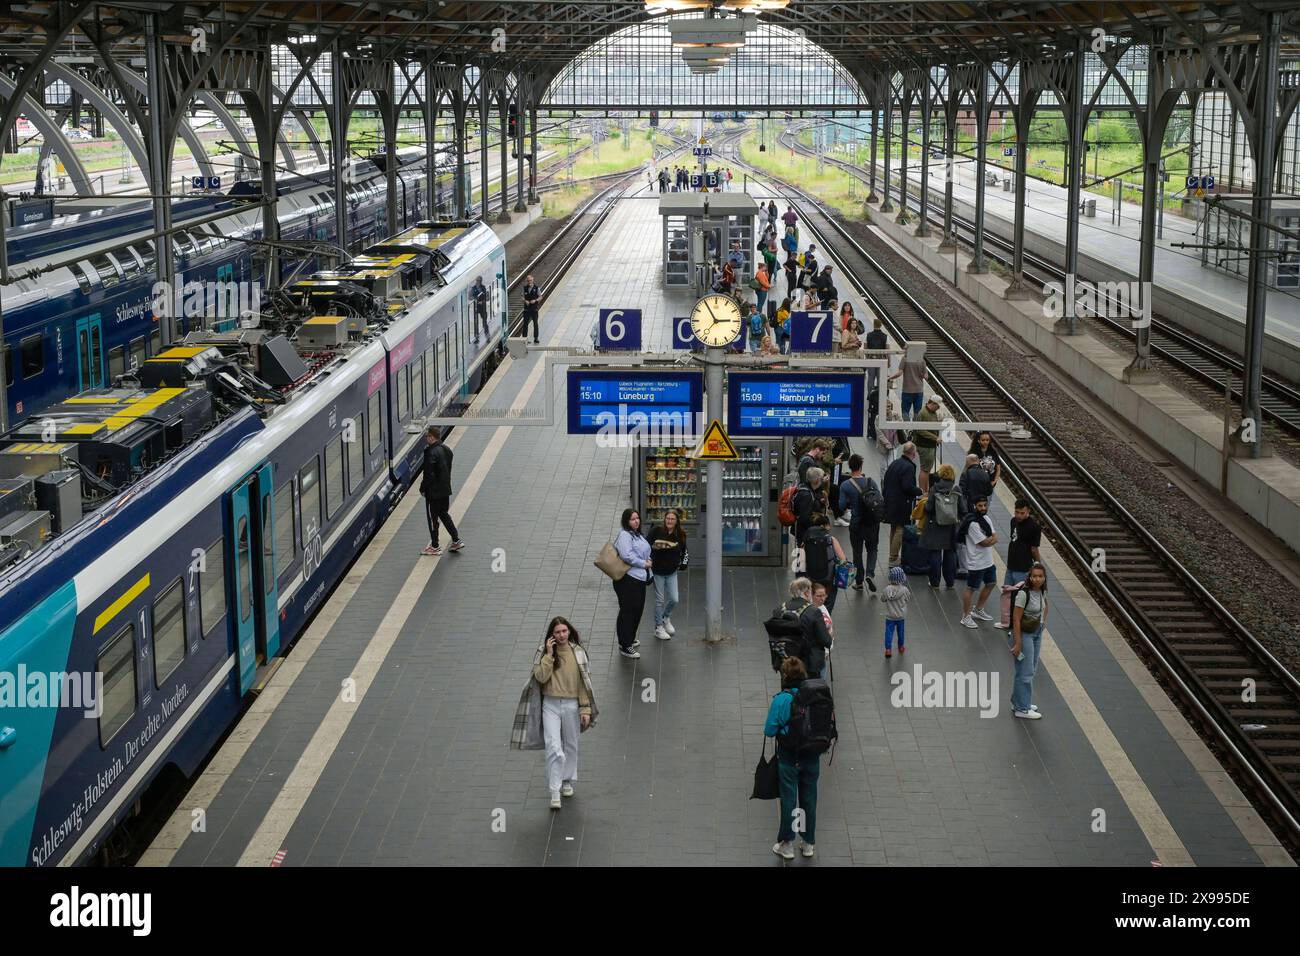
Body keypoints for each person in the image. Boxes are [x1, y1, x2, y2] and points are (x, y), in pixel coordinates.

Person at [530, 617, 597, 808]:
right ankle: (554, 791)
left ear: (569, 631)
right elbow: (541, 677)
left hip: (571, 705)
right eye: (557, 632)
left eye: (564, 631)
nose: (561, 635)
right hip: (550, 705)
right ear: (552, 635)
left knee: (571, 745)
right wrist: (549, 655)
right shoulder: (544, 653)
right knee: (553, 747)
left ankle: (566, 780)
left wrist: (585, 709)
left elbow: (584, 683)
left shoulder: (578, 653)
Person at [765, 656, 819, 860]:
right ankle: (808, 843)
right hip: (812, 755)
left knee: (789, 798)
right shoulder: (814, 695)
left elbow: (769, 730)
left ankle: (787, 843)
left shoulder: (782, 699)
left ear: (784, 676)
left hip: (789, 757)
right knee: (809, 797)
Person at [1009, 563, 1049, 719]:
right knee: (1026, 672)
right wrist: (1018, 643)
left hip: (1036, 632)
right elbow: (1016, 619)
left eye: (1040, 576)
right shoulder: (1023, 594)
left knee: (1030, 668)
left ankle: (1018, 701)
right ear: (1030, 577)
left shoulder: (1043, 592)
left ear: (1044, 578)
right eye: (1034, 576)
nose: (1037, 579)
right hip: (1024, 635)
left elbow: (1046, 607)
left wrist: (1042, 624)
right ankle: (1022, 708)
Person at [995, 499, 1043, 629]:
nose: (1019, 515)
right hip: (1011, 565)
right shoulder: (1013, 521)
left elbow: (1034, 549)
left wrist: (1038, 564)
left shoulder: (1034, 527)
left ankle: (1018, 627)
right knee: (1007, 594)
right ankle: (1007, 622)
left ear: (1028, 511)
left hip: (1024, 568)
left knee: (1020, 599)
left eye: (1022, 513)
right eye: (1017, 512)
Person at [838, 454, 881, 593]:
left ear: (849, 467)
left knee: (857, 552)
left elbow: (841, 505)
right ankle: (870, 574)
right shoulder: (870, 481)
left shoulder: (845, 485)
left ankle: (859, 581)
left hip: (856, 523)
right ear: (861, 466)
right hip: (872, 523)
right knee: (872, 549)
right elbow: (879, 499)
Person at [419, 425, 464, 556]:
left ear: (431, 437)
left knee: (433, 518)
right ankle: (456, 540)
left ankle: (434, 546)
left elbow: (428, 474)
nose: (426, 438)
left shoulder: (430, 452)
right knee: (444, 514)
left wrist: (423, 489)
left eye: (427, 436)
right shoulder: (447, 449)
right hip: (445, 489)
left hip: (433, 493)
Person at [613, 508, 652, 658]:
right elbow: (626, 555)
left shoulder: (637, 534)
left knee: (637, 609)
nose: (636, 521)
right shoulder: (624, 535)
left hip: (639, 578)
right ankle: (625, 644)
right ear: (626, 521)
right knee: (628, 610)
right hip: (628, 579)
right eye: (632, 519)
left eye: (637, 518)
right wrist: (643, 563)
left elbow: (645, 551)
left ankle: (629, 637)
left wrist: (648, 560)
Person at [920, 463, 965, 588]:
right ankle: (950, 583)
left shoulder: (935, 488)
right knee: (950, 553)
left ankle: (934, 582)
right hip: (951, 527)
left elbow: (928, 507)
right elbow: (963, 509)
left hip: (935, 525)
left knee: (935, 554)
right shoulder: (956, 489)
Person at [959, 497, 998, 629]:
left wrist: (991, 539)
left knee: (991, 583)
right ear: (974, 506)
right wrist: (991, 539)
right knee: (971, 588)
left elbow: (995, 536)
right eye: (980, 505)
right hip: (976, 563)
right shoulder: (973, 524)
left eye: (984, 505)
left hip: (988, 561)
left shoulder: (986, 519)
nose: (982, 508)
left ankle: (978, 609)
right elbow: (985, 542)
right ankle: (966, 616)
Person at [648, 509, 686, 641]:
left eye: (672, 519)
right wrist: (650, 555)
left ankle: (665, 617)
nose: (669, 521)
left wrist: (683, 563)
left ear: (677, 522)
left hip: (672, 572)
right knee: (659, 600)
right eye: (667, 518)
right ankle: (658, 627)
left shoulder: (680, 534)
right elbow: (646, 546)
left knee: (674, 598)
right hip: (657, 571)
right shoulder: (656, 531)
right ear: (664, 519)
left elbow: (684, 551)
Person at [883, 442, 923, 565]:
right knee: (900, 529)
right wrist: (919, 491)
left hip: (891, 500)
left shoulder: (895, 463)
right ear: (914, 453)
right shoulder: (909, 467)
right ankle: (893, 557)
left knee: (894, 528)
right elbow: (907, 487)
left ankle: (892, 555)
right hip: (902, 503)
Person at [803, 513, 845, 614]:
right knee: (827, 607)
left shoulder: (806, 541)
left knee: (812, 605)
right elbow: (843, 559)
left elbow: (800, 562)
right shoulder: (831, 540)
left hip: (811, 579)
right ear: (823, 526)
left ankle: (813, 622)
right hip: (829, 580)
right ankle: (825, 623)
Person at [912, 396, 942, 492]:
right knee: (925, 470)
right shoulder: (923, 413)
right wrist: (935, 438)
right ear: (932, 403)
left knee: (927, 469)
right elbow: (920, 430)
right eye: (938, 406)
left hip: (929, 445)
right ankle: (923, 491)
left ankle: (925, 489)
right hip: (925, 446)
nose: (938, 408)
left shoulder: (932, 412)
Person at [792, 466, 826, 547]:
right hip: (804, 534)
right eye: (821, 479)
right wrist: (820, 522)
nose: (822, 481)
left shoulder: (806, 489)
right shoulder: (807, 495)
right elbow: (805, 518)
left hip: (802, 531)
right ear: (817, 480)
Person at [888, 351, 927, 420]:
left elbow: (899, 373)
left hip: (907, 390)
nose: (904, 349)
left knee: (905, 412)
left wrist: (890, 378)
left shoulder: (905, 359)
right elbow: (926, 376)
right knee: (917, 413)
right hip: (919, 390)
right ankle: (915, 429)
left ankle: (907, 429)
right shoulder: (922, 360)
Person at [881, 566, 910, 658]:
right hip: (901, 616)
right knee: (901, 632)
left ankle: (888, 649)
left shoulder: (887, 589)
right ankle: (901, 646)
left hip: (890, 616)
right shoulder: (905, 590)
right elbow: (908, 598)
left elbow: (883, 599)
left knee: (889, 632)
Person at [865, 319, 888, 394]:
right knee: (880, 378)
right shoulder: (885, 336)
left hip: (871, 359)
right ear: (881, 325)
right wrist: (889, 361)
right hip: (881, 360)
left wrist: (868, 356)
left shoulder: (868, 335)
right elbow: (887, 350)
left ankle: (870, 394)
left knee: (871, 378)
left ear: (873, 325)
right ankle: (878, 395)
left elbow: (865, 347)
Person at [520, 274, 542, 344]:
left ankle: (536, 338)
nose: (529, 282)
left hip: (534, 309)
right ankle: (524, 339)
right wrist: (525, 301)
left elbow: (540, 297)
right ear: (527, 281)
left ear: (533, 280)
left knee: (535, 324)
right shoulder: (524, 288)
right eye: (528, 280)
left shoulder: (537, 288)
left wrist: (535, 300)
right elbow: (522, 297)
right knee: (525, 324)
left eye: (531, 280)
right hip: (526, 309)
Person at [470, 275, 490, 344]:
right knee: (476, 323)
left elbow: (487, 297)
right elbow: (470, 297)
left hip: (483, 307)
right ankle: (476, 337)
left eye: (479, 281)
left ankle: (487, 336)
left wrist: (483, 301)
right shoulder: (473, 288)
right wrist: (475, 299)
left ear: (481, 281)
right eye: (477, 280)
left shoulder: (483, 288)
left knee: (484, 321)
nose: (478, 282)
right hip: (476, 307)